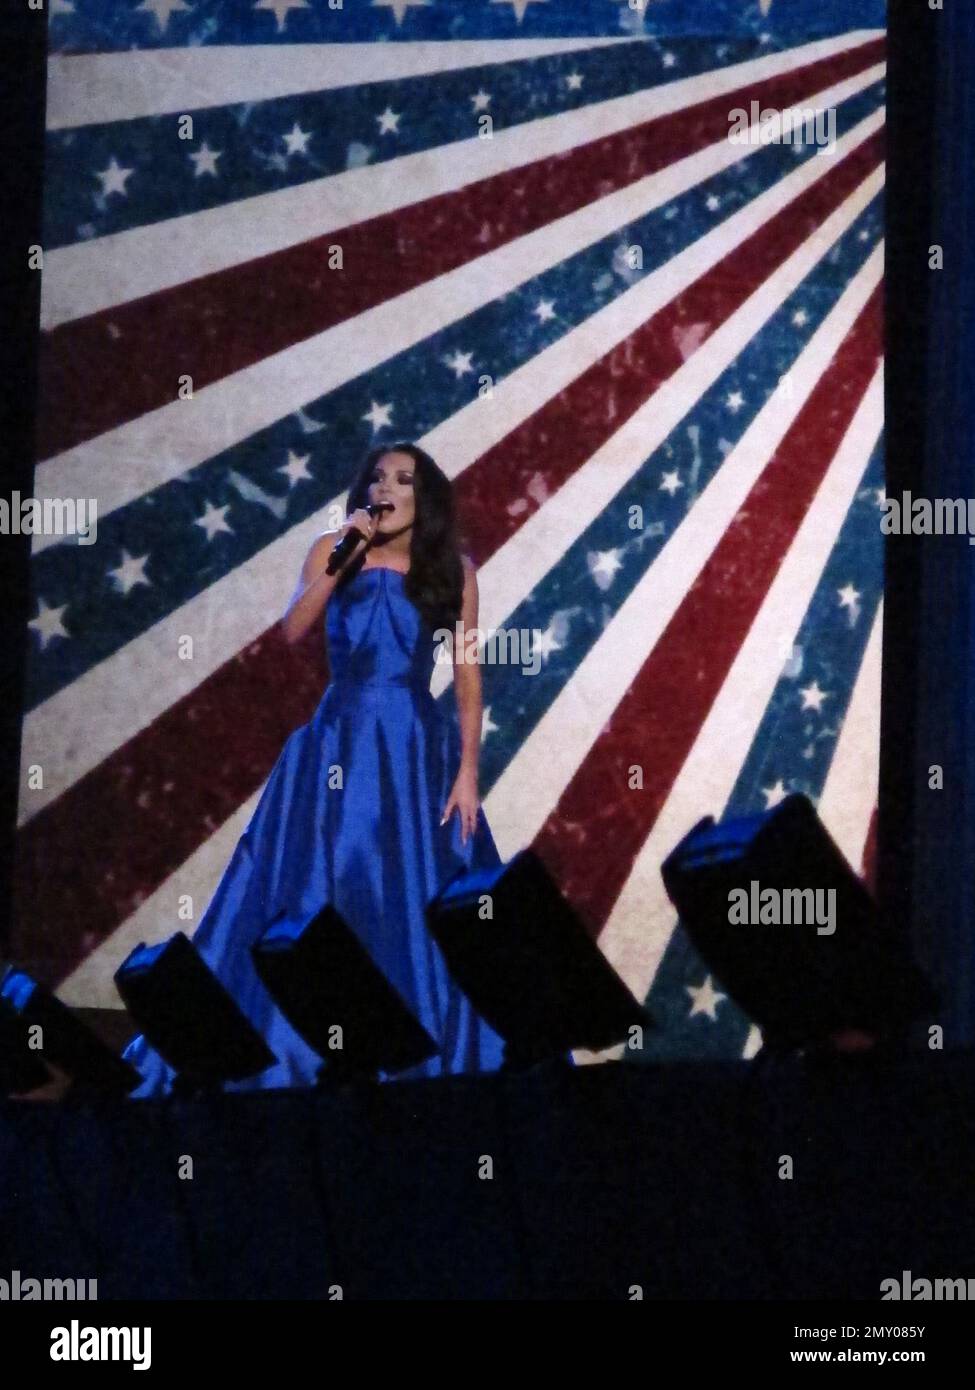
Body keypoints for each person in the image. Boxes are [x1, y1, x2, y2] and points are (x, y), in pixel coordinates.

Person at [122, 442, 507, 1094]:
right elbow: (293, 630)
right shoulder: (333, 550)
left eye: (403, 479)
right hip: (337, 743)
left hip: (414, 747)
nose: (386, 487)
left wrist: (468, 770)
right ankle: (298, 1048)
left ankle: (421, 1050)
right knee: (319, 888)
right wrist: (340, 558)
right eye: (378, 477)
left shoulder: (453, 570)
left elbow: (466, 678)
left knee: (414, 892)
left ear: (425, 496)